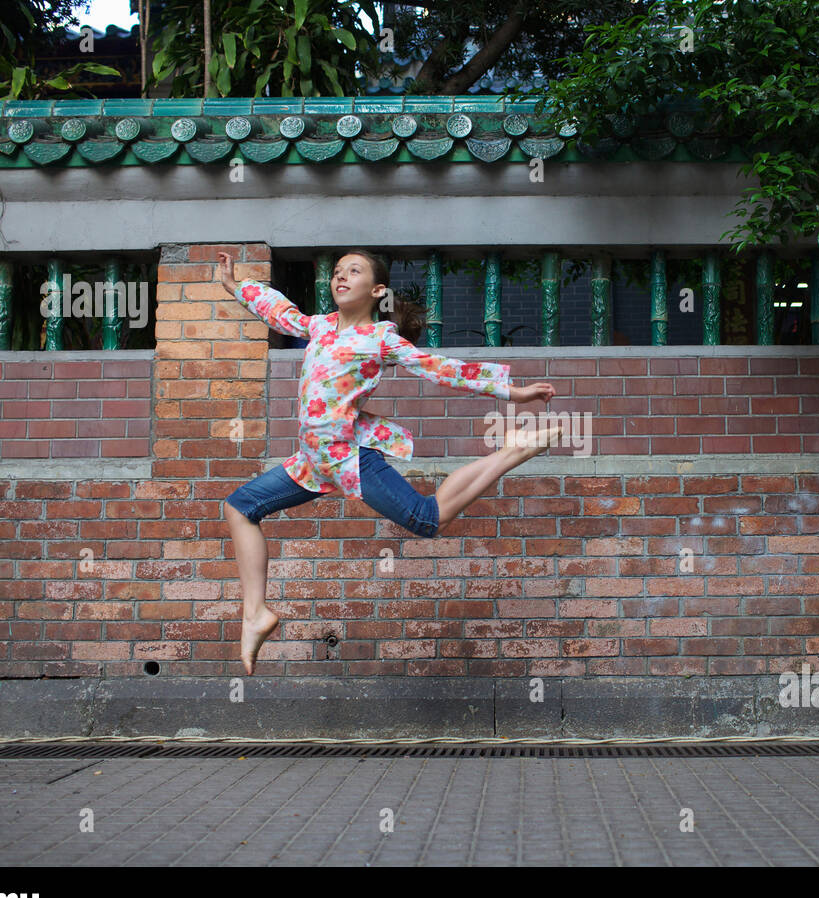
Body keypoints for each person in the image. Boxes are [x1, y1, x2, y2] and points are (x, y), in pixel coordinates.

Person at [217, 249, 563, 675]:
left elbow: (442, 368)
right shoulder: (320, 327)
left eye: (354, 271)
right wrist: (237, 287)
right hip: (311, 461)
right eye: (338, 272)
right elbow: (280, 311)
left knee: (426, 518)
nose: (341, 277)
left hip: (348, 456)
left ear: (377, 289)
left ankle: (514, 449)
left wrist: (515, 393)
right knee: (240, 507)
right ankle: (255, 615)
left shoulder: (380, 339)